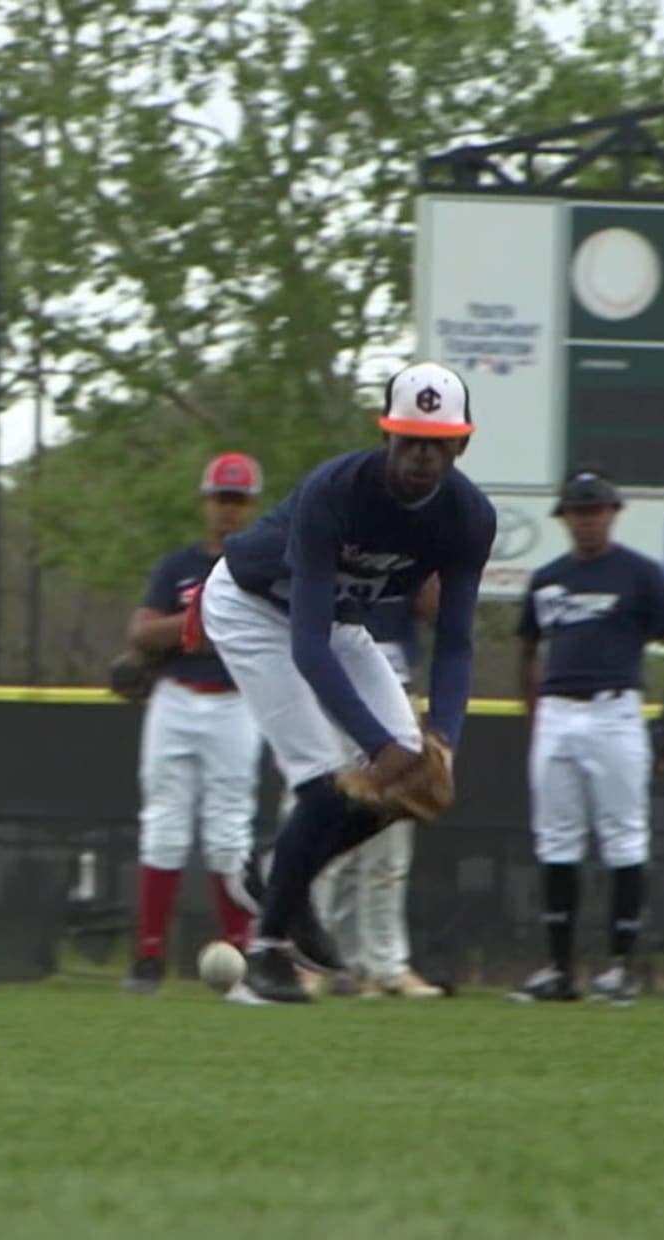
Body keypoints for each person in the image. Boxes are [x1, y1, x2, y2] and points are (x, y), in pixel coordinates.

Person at [200, 361, 495, 1006]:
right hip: (251, 607)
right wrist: (378, 744)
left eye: (436, 442)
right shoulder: (335, 491)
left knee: (408, 789)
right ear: (385, 435)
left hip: (335, 623)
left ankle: (276, 875)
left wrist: (441, 734)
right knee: (326, 781)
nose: (421, 455)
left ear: (461, 444)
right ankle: (268, 956)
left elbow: (455, 638)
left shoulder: (469, 516)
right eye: (408, 438)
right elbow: (306, 647)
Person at [508, 469, 664, 1004]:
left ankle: (619, 967)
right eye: (578, 511)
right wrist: (534, 714)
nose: (587, 520)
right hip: (558, 711)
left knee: (624, 838)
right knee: (556, 839)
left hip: (615, 709)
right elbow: (526, 649)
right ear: (564, 518)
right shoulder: (547, 578)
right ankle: (560, 968)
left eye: (596, 510)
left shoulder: (638, 574)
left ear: (613, 514)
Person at [121, 452, 266, 995]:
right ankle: (149, 955)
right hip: (176, 697)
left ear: (251, 506)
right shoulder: (177, 566)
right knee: (163, 824)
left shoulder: (260, 566)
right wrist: (203, 619)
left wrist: (186, 625)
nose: (228, 510)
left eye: (238, 500)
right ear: (206, 502)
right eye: (220, 499)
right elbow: (140, 633)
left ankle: (241, 953)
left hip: (236, 699)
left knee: (229, 831)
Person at [309, 578, 447, 999]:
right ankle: (307, 961)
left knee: (389, 844)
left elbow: (438, 611)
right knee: (319, 831)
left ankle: (385, 965)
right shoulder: (338, 529)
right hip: (334, 692)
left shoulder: (413, 542)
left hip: (395, 690)